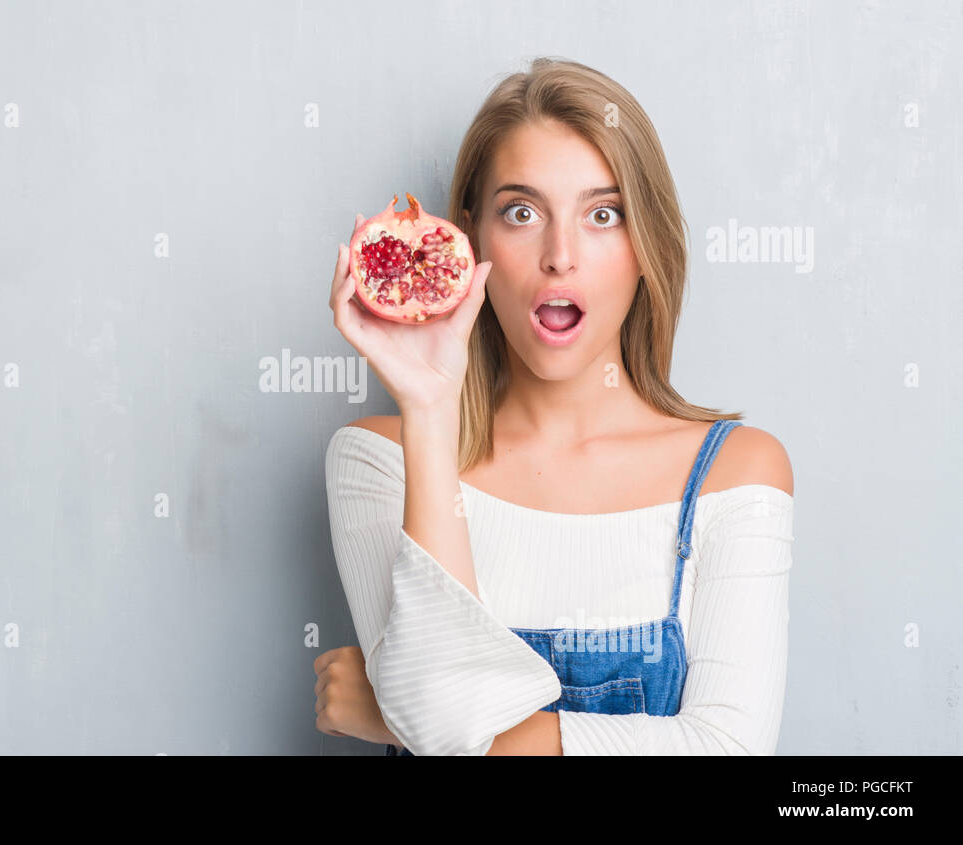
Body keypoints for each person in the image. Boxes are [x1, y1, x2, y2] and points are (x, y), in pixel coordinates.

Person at [313, 57, 794, 756]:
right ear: (473, 237)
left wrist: (393, 713)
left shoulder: (736, 473)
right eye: (521, 212)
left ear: (644, 247)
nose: (560, 256)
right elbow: (445, 719)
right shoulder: (378, 458)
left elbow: (727, 749)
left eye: (603, 214)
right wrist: (428, 404)